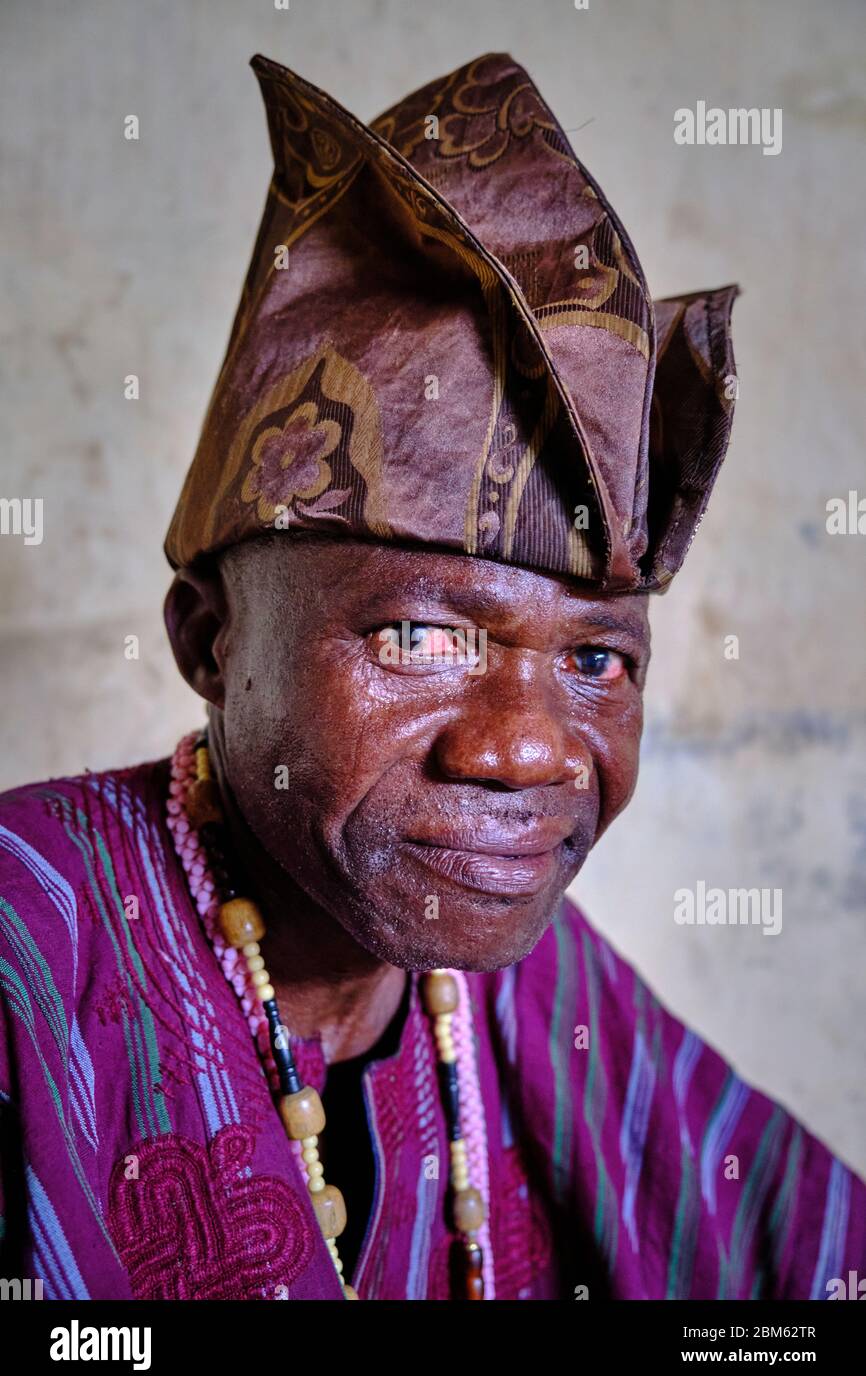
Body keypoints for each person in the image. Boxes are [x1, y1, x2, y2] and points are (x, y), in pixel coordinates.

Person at [0, 51, 862, 1302]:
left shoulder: (535, 988)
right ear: (209, 642)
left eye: (594, 657)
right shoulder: (31, 945)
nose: (526, 750)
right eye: (419, 638)